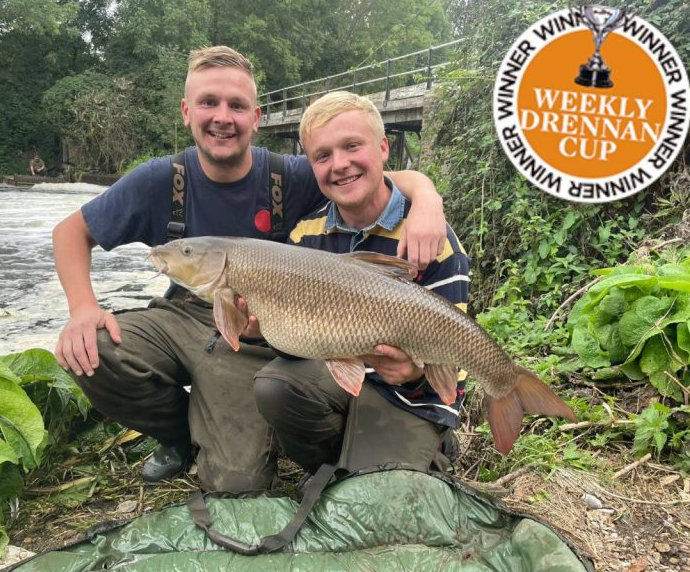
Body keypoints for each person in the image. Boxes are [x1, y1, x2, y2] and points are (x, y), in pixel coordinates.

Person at [52, 46, 448, 493]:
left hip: (257, 330)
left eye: (237, 106)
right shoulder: (157, 179)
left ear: (255, 118)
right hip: (183, 315)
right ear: (186, 111)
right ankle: (178, 436)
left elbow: (377, 173)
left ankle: (230, 429)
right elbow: (70, 233)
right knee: (92, 347)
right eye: (208, 102)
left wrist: (428, 200)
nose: (223, 116)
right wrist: (82, 308)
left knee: (237, 485)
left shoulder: (294, 175)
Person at [253, 91, 470, 478]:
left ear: (384, 147)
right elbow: (297, 334)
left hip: (410, 399)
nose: (340, 164)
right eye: (322, 156)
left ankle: (430, 445)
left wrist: (416, 372)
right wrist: (261, 322)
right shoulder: (305, 236)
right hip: (341, 380)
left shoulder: (430, 236)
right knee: (275, 386)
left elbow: (453, 355)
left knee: (379, 498)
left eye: (352, 146)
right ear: (312, 165)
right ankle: (333, 461)